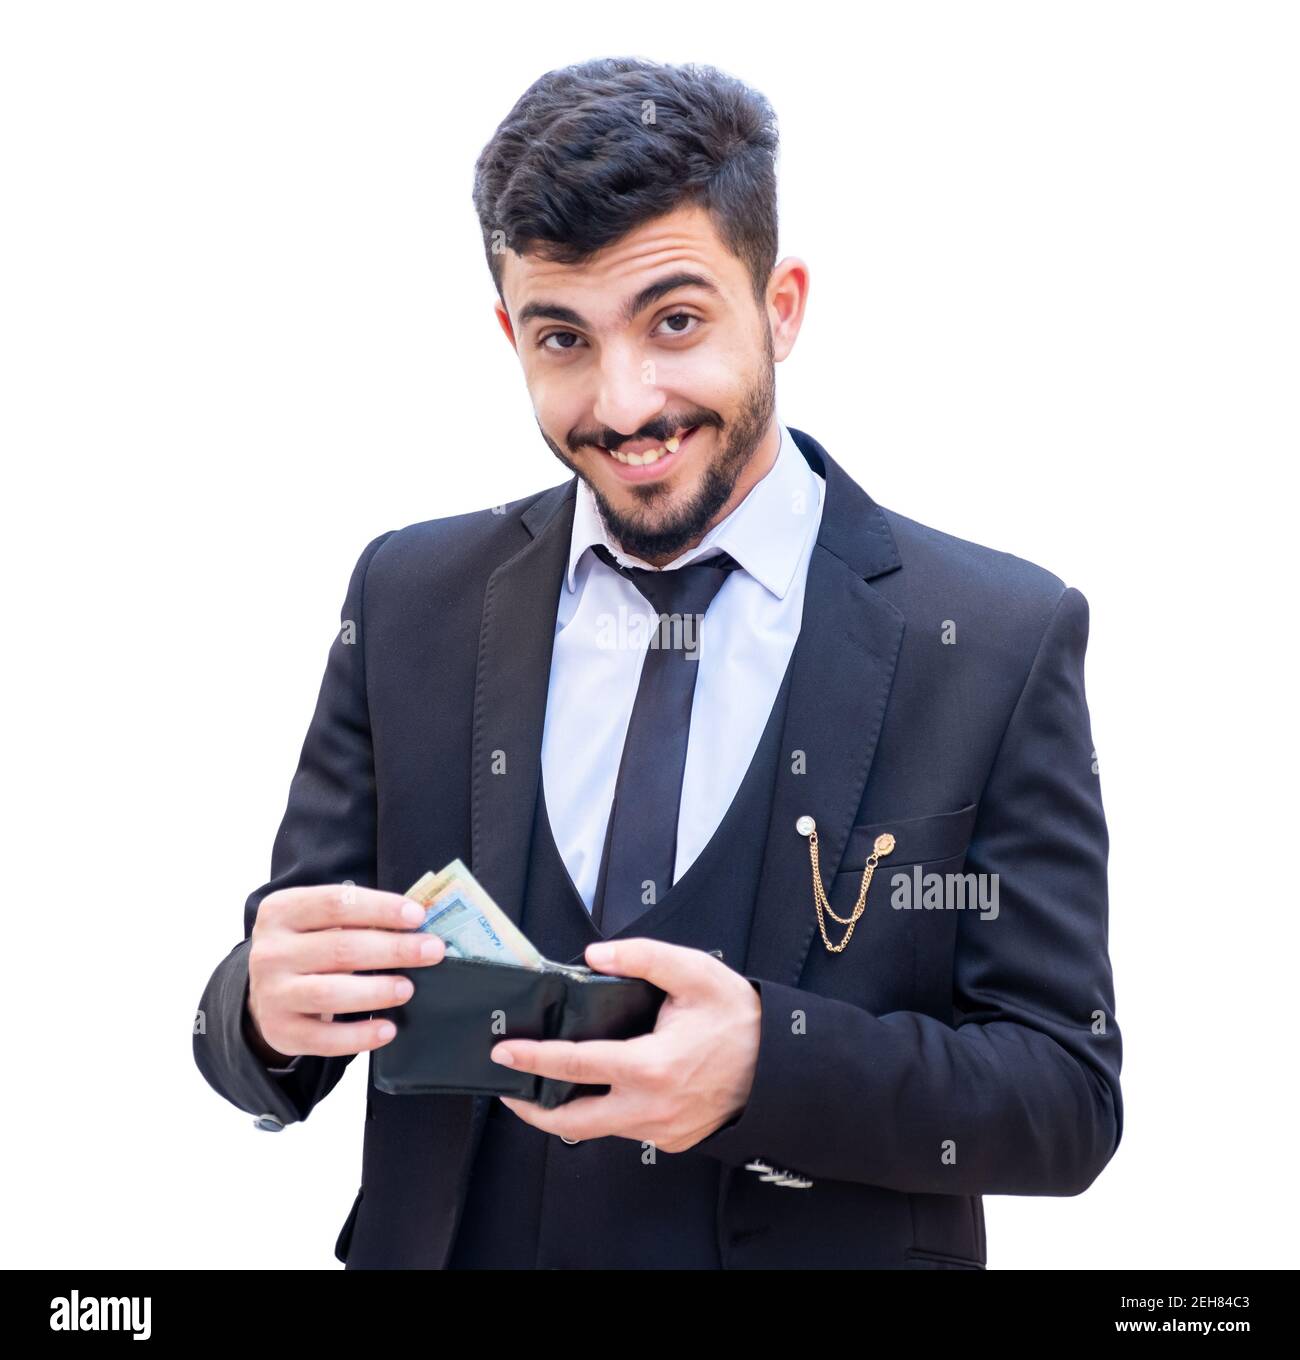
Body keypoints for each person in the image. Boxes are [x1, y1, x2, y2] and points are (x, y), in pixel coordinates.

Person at [193, 56, 1122, 1269]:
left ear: (780, 305)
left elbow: (1065, 1098)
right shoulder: (409, 598)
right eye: (563, 338)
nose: (622, 400)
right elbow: (287, 1016)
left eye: (674, 321)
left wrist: (765, 1066)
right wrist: (260, 1012)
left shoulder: (994, 635)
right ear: (508, 331)